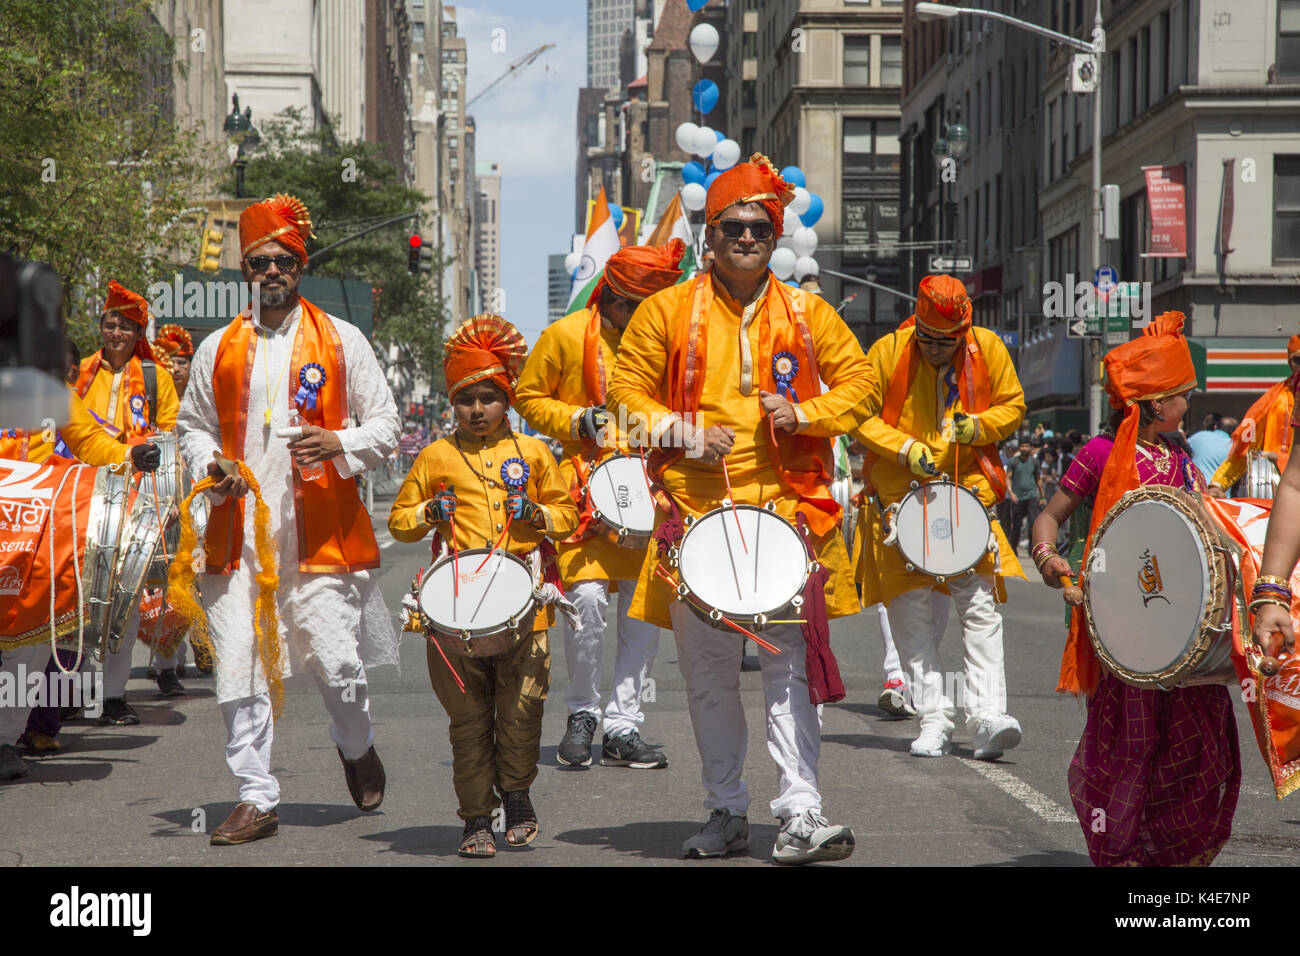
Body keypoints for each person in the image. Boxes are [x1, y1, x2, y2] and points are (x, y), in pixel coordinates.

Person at [607, 154, 871, 864]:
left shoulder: (810, 312)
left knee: (790, 669)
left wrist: (806, 412)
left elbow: (864, 388)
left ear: (774, 234)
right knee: (711, 678)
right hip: (694, 517)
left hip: (788, 515)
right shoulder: (666, 311)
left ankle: (801, 812)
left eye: (759, 227)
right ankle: (725, 810)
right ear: (710, 237)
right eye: (734, 227)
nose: (748, 238)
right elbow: (623, 402)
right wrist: (685, 432)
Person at [175, 194, 401, 846]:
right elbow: (192, 428)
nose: (271, 271)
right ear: (245, 272)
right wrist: (211, 464)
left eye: (282, 260)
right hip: (236, 531)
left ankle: (355, 744)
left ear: (299, 266)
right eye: (258, 263)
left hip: (318, 530)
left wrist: (341, 443)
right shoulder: (217, 347)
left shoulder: (341, 340)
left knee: (337, 665)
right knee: (238, 663)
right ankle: (255, 795)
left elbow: (384, 425)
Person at [1031, 311, 1240, 867]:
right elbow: (1048, 519)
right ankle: (1122, 850)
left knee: (1197, 749)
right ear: (1153, 403)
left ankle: (1173, 852)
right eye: (1181, 396)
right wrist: (1052, 564)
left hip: (1186, 632)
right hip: (1126, 632)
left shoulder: (1182, 458)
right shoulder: (1100, 455)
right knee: (1131, 747)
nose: (1187, 406)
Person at [389, 315, 579, 858]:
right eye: (467, 399)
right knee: (468, 717)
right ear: (453, 404)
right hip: (453, 610)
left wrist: (538, 515)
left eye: (489, 398)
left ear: (507, 401)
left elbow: (568, 517)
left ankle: (516, 796)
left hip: (524, 605)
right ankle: (475, 815)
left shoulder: (536, 454)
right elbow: (401, 522)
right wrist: (428, 510)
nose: (477, 409)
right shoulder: (434, 457)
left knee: (522, 708)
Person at [515, 240, 687, 770]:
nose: (639, 319)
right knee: (585, 602)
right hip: (583, 492)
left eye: (649, 310)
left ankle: (623, 726)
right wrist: (575, 420)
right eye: (630, 308)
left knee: (642, 610)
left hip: (652, 488)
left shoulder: (669, 345)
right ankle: (583, 713)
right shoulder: (564, 336)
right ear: (608, 295)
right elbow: (527, 396)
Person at [851, 275, 1027, 761]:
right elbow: (858, 414)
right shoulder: (886, 351)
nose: (934, 350)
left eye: (946, 343)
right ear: (916, 324)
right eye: (927, 340)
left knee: (981, 608)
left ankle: (988, 716)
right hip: (898, 499)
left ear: (963, 332)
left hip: (966, 495)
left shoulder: (987, 347)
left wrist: (981, 426)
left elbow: (1013, 405)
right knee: (911, 617)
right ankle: (933, 718)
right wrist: (904, 449)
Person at [72, 281, 181, 719]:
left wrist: (140, 444)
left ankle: (114, 695)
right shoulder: (79, 373)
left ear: (138, 334)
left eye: (125, 326)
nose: (115, 333)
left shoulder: (156, 378)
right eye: (109, 324)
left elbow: (170, 432)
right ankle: (74, 691)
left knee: (127, 593)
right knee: (79, 592)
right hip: (83, 496)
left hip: (138, 496)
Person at [1207, 334, 1299, 496]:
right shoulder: (1273, 400)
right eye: (1298, 360)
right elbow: (1245, 447)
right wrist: (1218, 483)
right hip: (1282, 489)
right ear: (1290, 362)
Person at [1006, 440, 1041, 554]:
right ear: (1019, 448)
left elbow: (1038, 479)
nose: (1024, 448)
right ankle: (1014, 547)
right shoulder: (1013, 461)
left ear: (1030, 448)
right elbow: (1008, 478)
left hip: (1031, 495)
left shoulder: (1035, 462)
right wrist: (1011, 493)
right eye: (1022, 446)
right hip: (1018, 497)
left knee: (1033, 523)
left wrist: (1043, 496)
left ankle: (1032, 548)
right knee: (1016, 524)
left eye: (1026, 446)